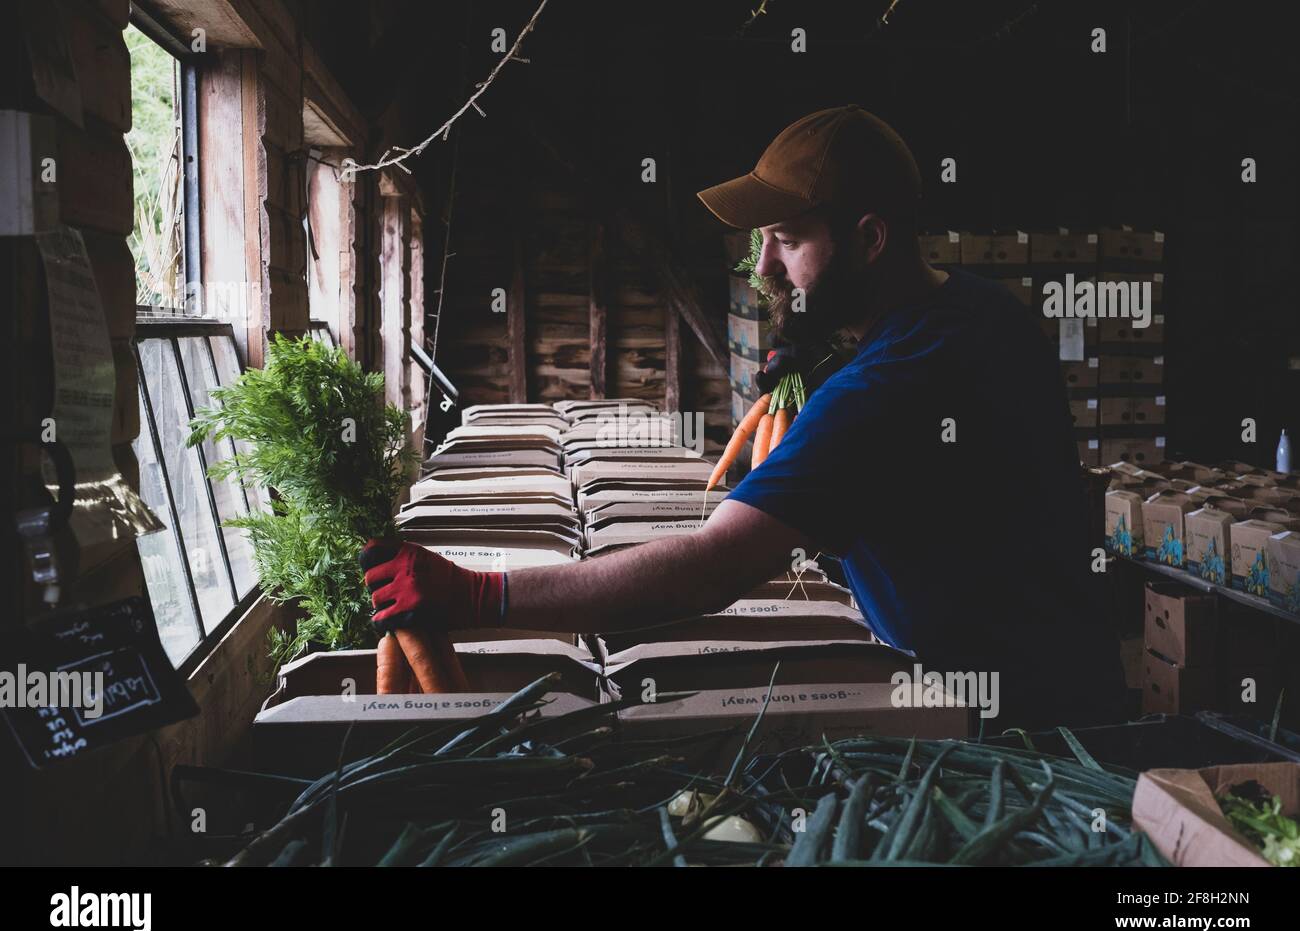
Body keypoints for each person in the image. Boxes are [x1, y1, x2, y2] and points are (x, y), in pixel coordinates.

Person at [361, 105, 1127, 732]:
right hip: (1076, 681)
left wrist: (480, 597)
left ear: (869, 239)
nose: (762, 267)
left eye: (787, 241)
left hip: (1016, 729)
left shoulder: (884, 388)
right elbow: (945, 488)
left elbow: (711, 568)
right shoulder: (983, 311)